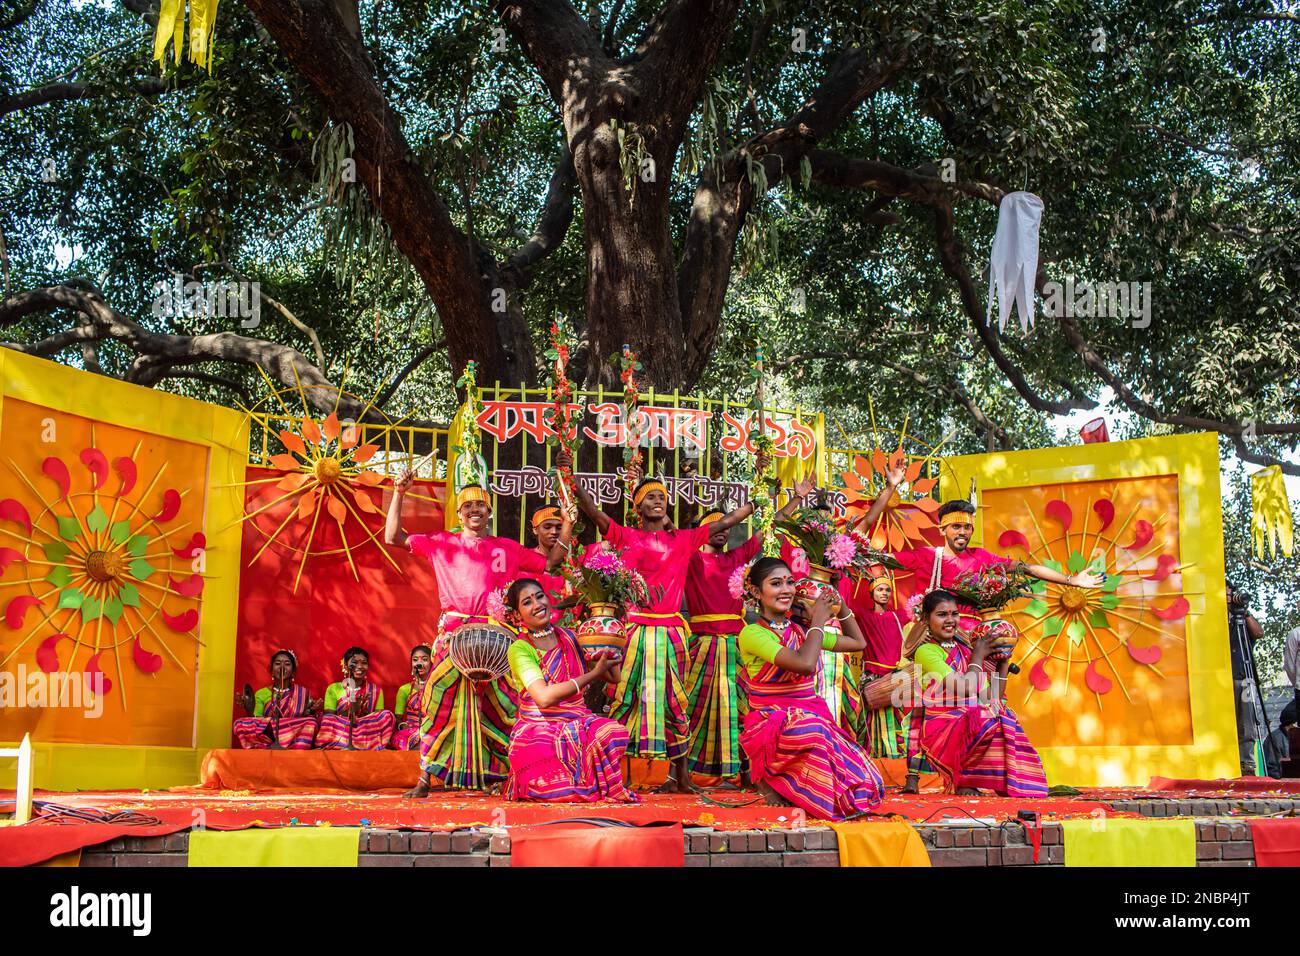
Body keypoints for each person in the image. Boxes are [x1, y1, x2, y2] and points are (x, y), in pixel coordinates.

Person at [561, 449, 759, 793]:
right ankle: (617, 776)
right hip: (636, 631)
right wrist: (574, 483)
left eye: (662, 498)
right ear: (637, 508)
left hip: (671, 634)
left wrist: (757, 503)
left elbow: (726, 523)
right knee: (625, 698)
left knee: (675, 702)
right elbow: (594, 514)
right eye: (649, 497)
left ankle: (679, 778)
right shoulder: (626, 536)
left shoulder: (684, 538)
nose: (657, 502)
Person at [384, 477, 573, 795]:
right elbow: (393, 536)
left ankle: (510, 776)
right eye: (468, 506)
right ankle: (424, 779)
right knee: (437, 703)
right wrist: (400, 493)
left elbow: (553, 561)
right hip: (454, 639)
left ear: (489, 511)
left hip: (496, 641)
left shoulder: (507, 548)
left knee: (506, 707)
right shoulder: (443, 542)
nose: (475, 510)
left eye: (480, 505)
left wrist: (567, 522)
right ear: (459, 514)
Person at [736, 556, 885, 820]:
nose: (786, 589)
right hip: (772, 723)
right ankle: (769, 779)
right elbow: (803, 664)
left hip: (810, 717)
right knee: (813, 731)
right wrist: (817, 620)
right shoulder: (753, 633)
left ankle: (793, 787)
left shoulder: (801, 632)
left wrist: (839, 605)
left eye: (789, 582)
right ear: (757, 593)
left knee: (865, 781)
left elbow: (857, 642)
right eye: (776, 584)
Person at [683, 478, 813, 781]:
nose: (723, 531)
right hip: (702, 646)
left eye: (726, 527)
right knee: (694, 707)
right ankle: (688, 774)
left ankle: (743, 772)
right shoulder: (690, 558)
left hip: (736, 645)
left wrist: (795, 498)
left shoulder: (736, 558)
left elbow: (771, 526)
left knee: (740, 710)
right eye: (716, 526)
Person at [856, 470, 1103, 628]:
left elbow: (1027, 569)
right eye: (956, 527)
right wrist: (890, 489)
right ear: (942, 530)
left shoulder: (981, 557)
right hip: (935, 644)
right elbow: (876, 556)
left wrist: (1072, 580)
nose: (962, 532)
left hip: (974, 639)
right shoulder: (927, 556)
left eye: (967, 527)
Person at [502, 578, 639, 803]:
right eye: (527, 602)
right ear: (517, 616)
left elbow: (612, 676)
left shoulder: (572, 637)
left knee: (612, 732)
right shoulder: (520, 648)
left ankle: (583, 784)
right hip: (538, 730)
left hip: (578, 722)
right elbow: (544, 698)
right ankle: (577, 785)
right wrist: (593, 674)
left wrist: (611, 645)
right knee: (555, 783)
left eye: (539, 596)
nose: (537, 604)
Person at [904, 589, 1047, 797]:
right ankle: (964, 781)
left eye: (954, 614)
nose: (950, 620)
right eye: (942, 614)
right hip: (940, 726)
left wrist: (1003, 662)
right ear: (926, 619)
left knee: (1002, 713)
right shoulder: (926, 652)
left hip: (966, 719)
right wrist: (979, 655)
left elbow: (992, 696)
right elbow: (966, 688)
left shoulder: (964, 650)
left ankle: (1001, 781)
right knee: (981, 716)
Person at [855, 567, 911, 759]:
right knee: (869, 719)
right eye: (880, 589)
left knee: (896, 718)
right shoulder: (863, 616)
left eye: (887, 590)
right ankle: (870, 756)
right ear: (871, 593)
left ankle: (896, 757)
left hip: (894, 677)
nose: (884, 593)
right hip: (872, 675)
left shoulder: (899, 616)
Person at [232, 649, 321, 749]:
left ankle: (294, 747)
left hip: (292, 733)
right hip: (269, 734)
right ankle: (264, 746)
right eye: (278, 663)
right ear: (271, 670)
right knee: (239, 723)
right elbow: (256, 720)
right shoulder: (262, 693)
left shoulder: (302, 693)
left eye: (287, 664)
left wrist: (312, 710)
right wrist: (249, 707)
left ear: (293, 671)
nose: (282, 667)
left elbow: (305, 718)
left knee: (311, 722)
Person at [1226, 582, 1270, 775]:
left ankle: (1247, 764)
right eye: (1225, 595)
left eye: (1230, 593)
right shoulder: (1215, 620)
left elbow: (1258, 633)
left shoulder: (1241, 618)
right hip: (1223, 678)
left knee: (1248, 722)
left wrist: (1244, 611)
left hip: (1245, 677)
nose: (1228, 597)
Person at [316, 646, 396, 750]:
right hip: (342, 729)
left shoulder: (376, 690)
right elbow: (330, 717)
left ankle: (360, 743)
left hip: (366, 730)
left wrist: (364, 710)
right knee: (328, 719)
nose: (360, 666)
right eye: (354, 662)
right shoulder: (333, 688)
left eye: (364, 663)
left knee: (387, 715)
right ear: (345, 665)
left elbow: (377, 720)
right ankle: (366, 744)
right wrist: (353, 709)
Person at [529, 505, 571, 623]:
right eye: (547, 527)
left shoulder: (575, 561)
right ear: (535, 529)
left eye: (559, 527)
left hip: (569, 633)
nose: (554, 532)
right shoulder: (525, 559)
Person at [391, 645, 432, 751]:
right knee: (400, 739)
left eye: (424, 659)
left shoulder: (438, 688)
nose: (419, 663)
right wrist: (403, 726)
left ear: (432, 662)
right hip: (410, 731)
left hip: (432, 730)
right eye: (415, 660)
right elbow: (398, 718)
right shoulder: (404, 690)